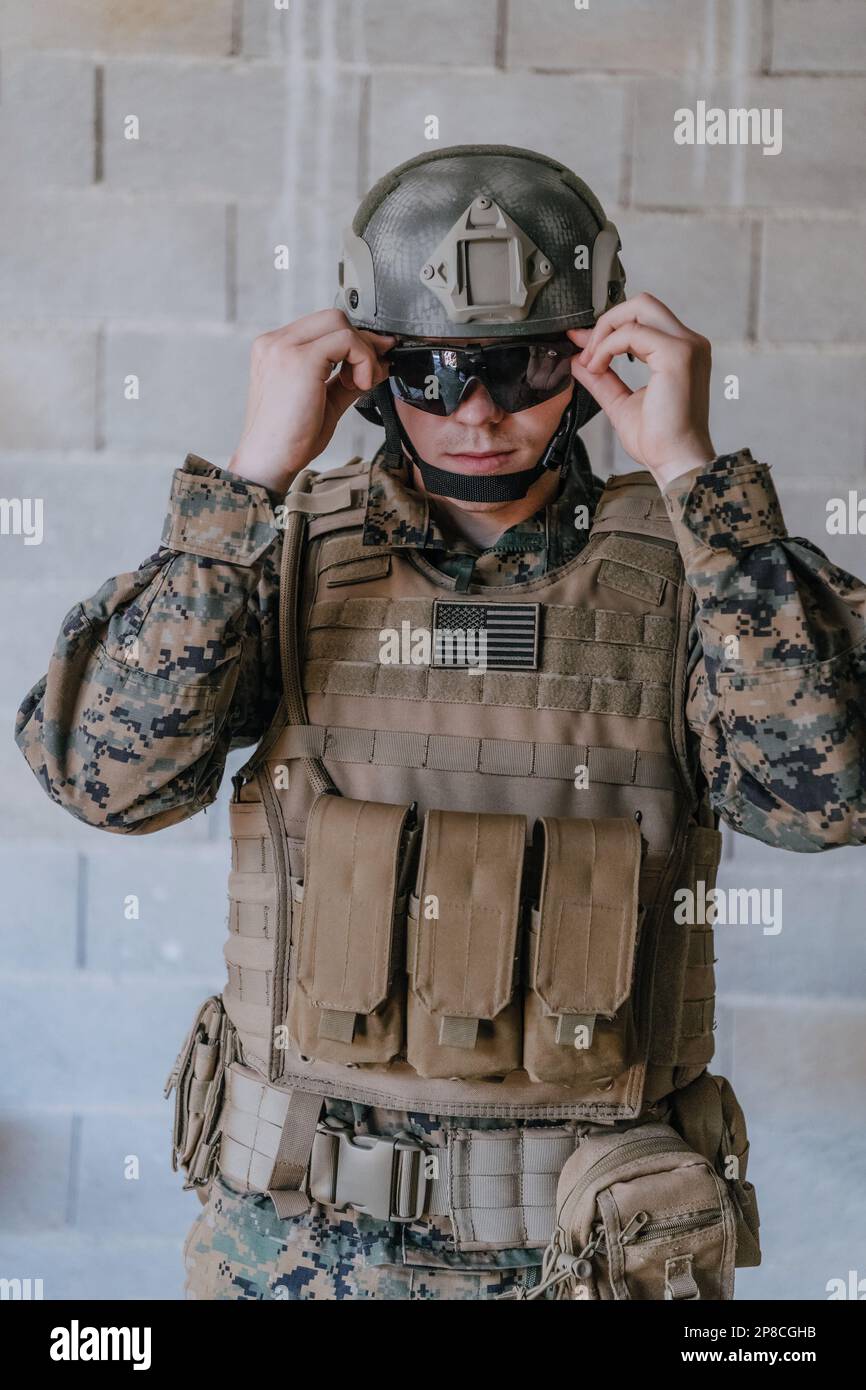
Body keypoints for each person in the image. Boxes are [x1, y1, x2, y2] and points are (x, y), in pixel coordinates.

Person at [15, 145, 866, 1301]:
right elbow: (104, 782)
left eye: (519, 369)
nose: (475, 411)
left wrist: (692, 475)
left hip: (591, 1249)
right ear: (370, 370)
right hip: (298, 1248)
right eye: (433, 371)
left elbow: (828, 802)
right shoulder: (279, 554)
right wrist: (249, 481)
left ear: (592, 360)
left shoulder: (703, 571)